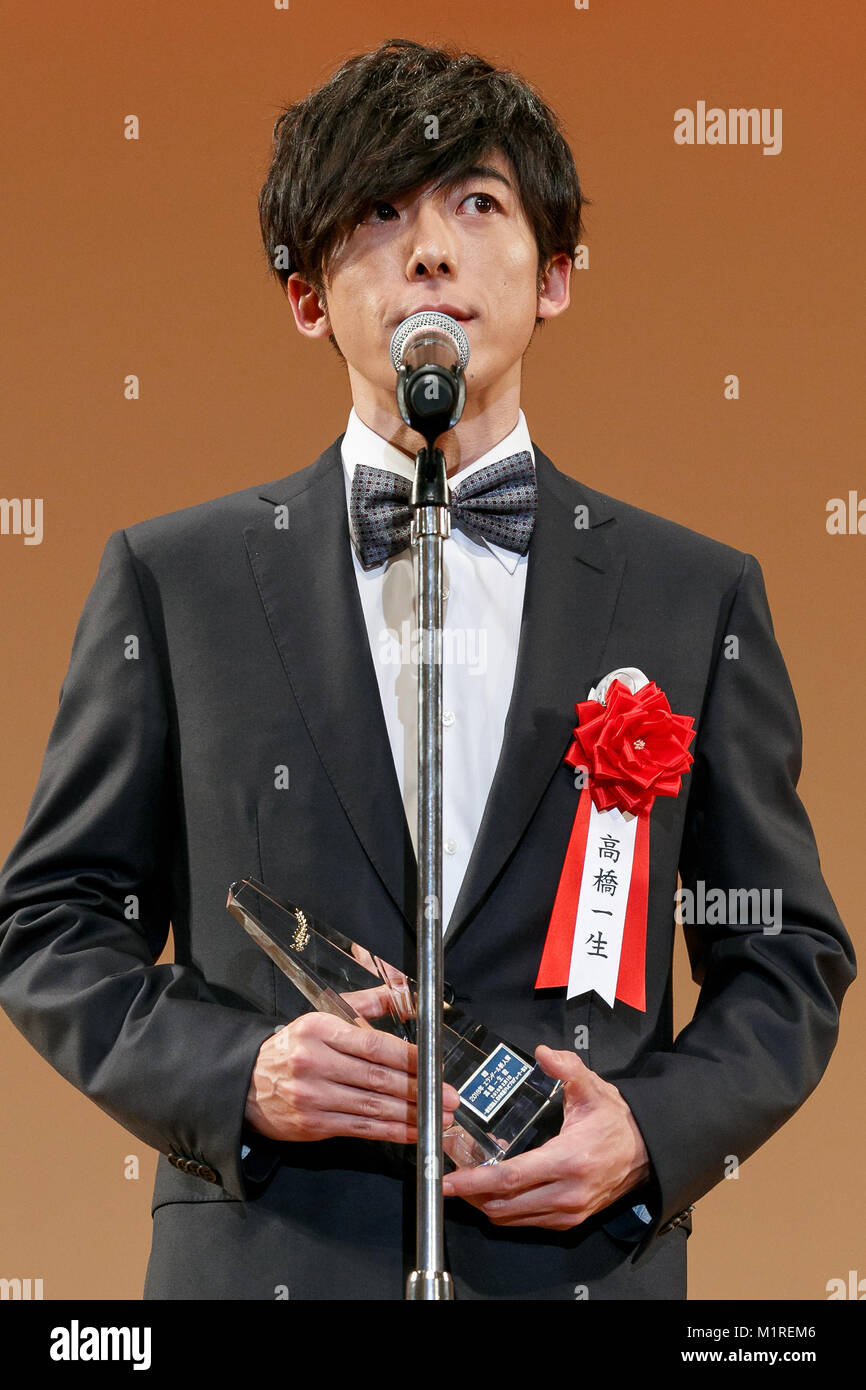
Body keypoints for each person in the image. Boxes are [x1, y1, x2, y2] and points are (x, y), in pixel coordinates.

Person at [0, 37, 855, 1302]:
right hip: (269, 1264)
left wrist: (648, 1134)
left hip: (577, 1270)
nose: (430, 251)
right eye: (376, 212)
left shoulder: (693, 594)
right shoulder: (172, 582)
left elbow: (780, 951)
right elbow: (52, 921)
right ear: (306, 295)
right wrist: (237, 1076)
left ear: (554, 276)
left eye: (477, 203)